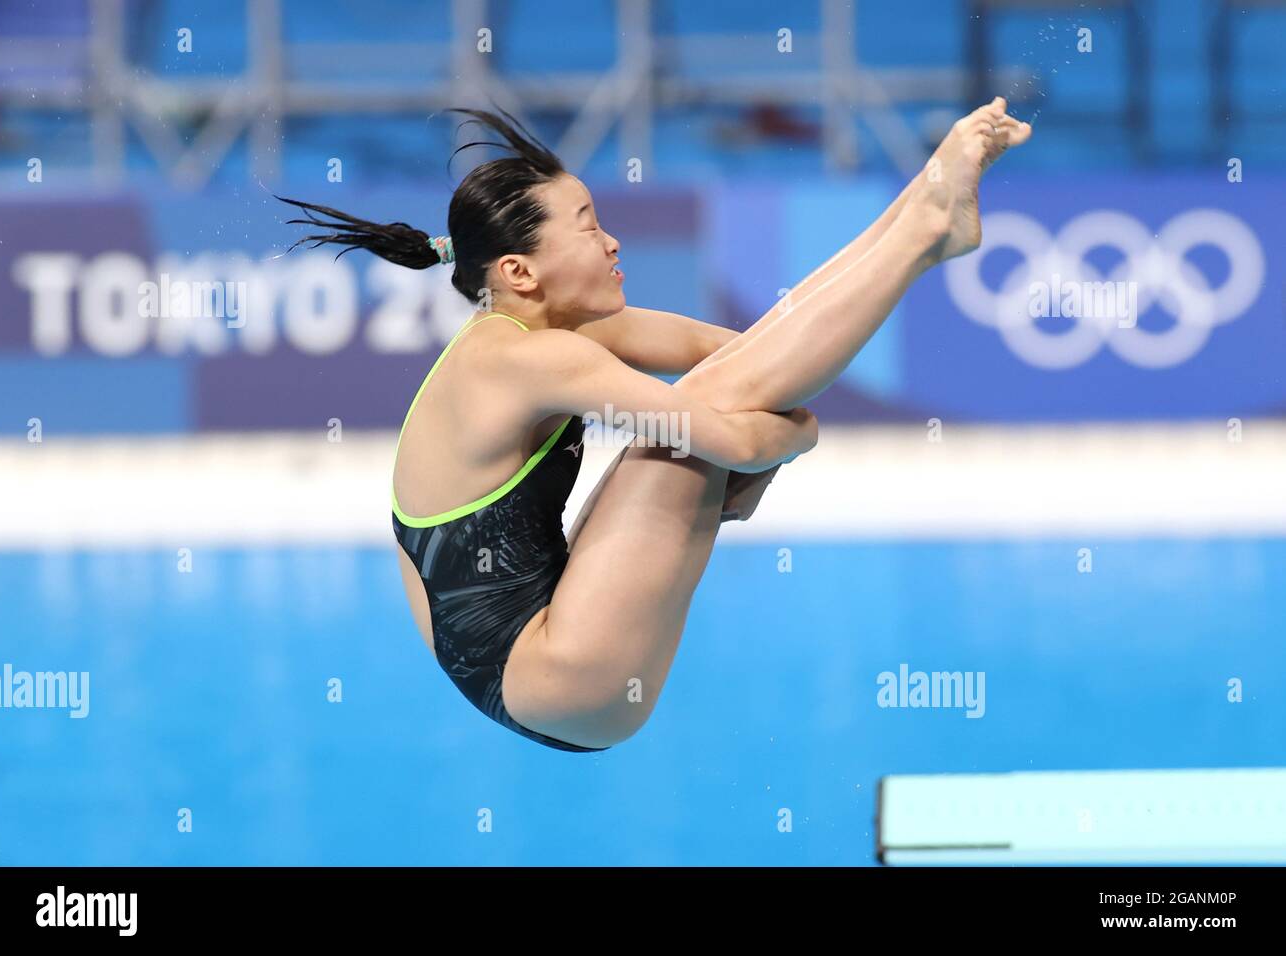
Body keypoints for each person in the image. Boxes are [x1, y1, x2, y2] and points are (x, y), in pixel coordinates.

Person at [279, 99, 1032, 752]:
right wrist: (795, 435)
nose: (611, 243)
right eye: (587, 228)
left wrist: (772, 416)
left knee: (716, 393)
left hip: (532, 667)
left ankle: (923, 215)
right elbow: (733, 432)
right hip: (557, 672)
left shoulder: (533, 339)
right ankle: (925, 228)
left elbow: (749, 350)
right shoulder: (522, 363)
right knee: (692, 423)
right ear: (519, 272)